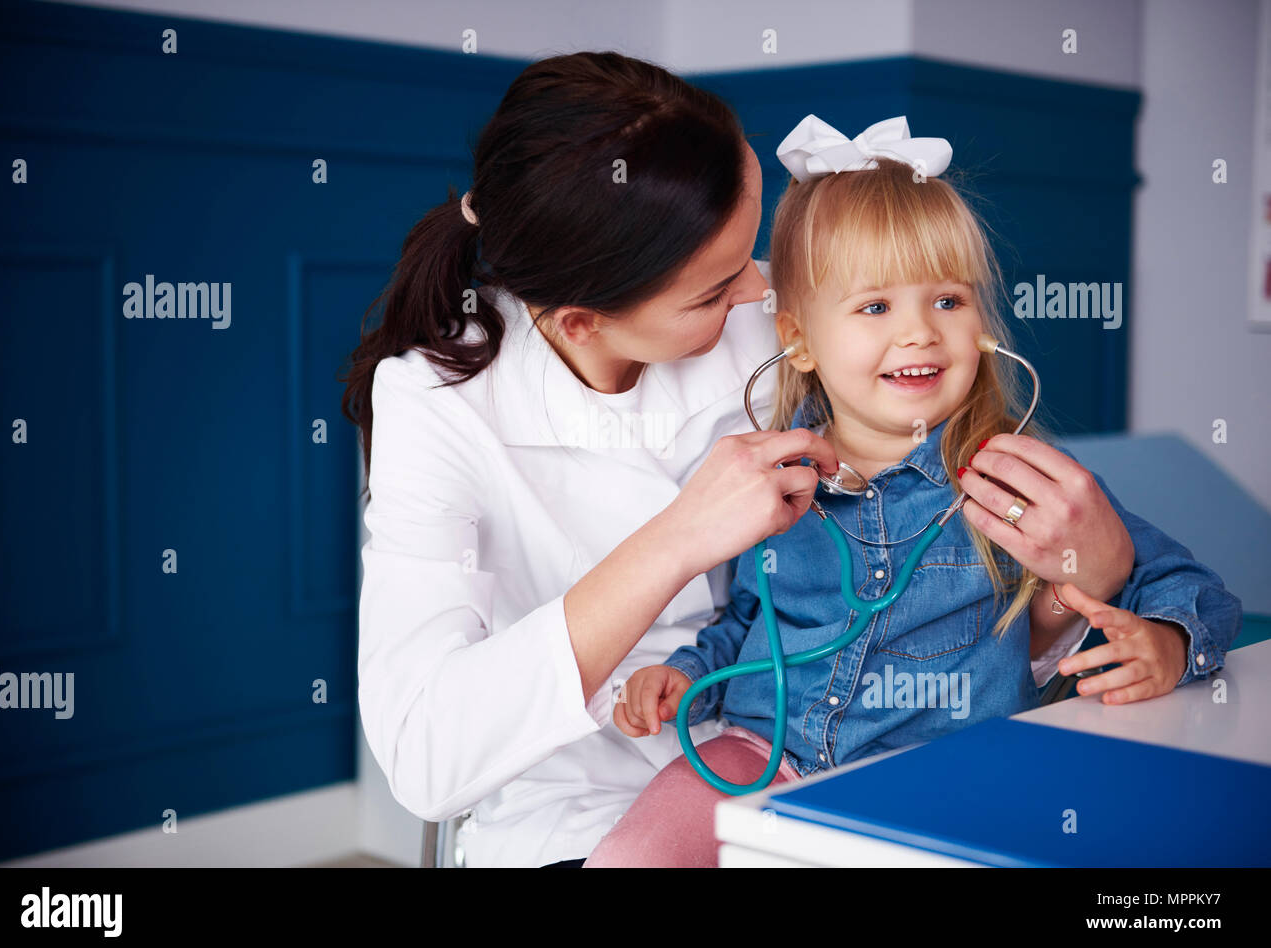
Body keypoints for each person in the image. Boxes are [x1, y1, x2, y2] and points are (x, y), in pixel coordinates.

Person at [340, 55, 1137, 868]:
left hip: (798, 759)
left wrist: (1084, 581)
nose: (758, 291)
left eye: (750, 254)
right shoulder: (435, 405)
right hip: (572, 817)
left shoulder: (773, 329)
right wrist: (677, 538)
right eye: (714, 290)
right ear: (582, 323)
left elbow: (925, 567)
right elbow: (426, 758)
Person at [583, 115, 1242, 868]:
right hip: (763, 752)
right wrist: (687, 678)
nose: (920, 333)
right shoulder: (772, 480)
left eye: (948, 301)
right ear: (797, 339)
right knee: (635, 854)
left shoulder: (1011, 477)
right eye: (875, 307)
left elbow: (1192, 586)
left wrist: (1169, 642)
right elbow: (747, 621)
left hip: (946, 772)